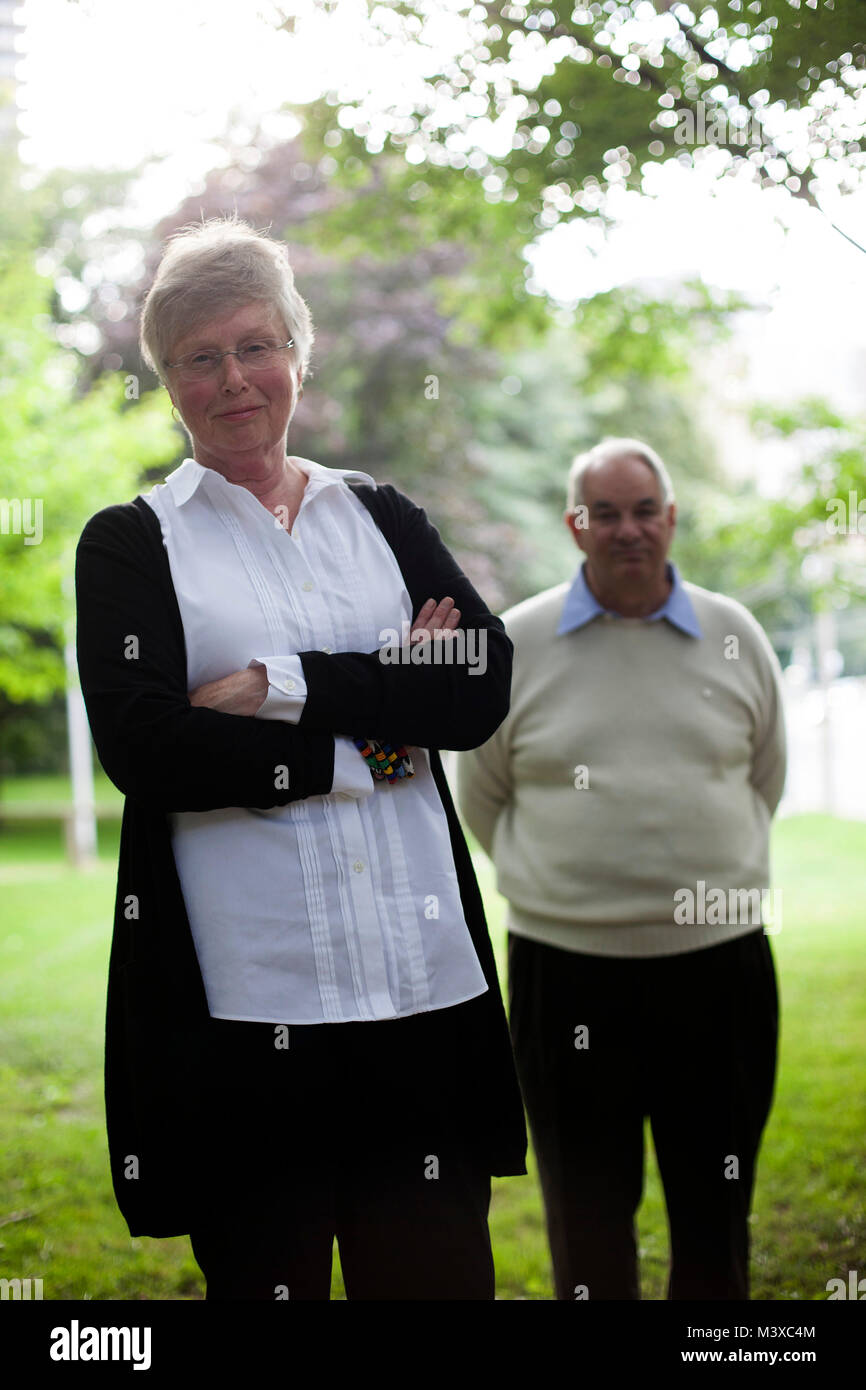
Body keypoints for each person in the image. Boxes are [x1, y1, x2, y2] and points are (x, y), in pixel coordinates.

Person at [75, 215, 526, 1301]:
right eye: (200, 357)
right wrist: (374, 738)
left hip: (416, 998)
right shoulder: (132, 542)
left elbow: (478, 686)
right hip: (245, 1018)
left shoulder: (378, 513)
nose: (234, 378)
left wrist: (284, 686)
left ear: (297, 351)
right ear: (169, 380)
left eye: (255, 344)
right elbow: (148, 747)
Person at [456, 438, 786, 1301]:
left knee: (716, 1218)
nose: (627, 530)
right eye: (605, 513)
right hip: (565, 979)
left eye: (644, 510)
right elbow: (482, 797)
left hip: (722, 972)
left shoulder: (734, 635)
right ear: (576, 525)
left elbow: (764, 776)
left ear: (671, 518)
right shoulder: (518, 643)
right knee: (587, 1219)